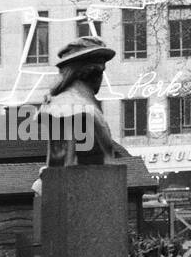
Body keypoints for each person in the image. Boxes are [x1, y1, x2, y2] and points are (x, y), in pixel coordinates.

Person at [41, 36, 128, 166]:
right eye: (101, 70)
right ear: (92, 71)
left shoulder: (83, 106)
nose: (101, 77)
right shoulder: (72, 107)